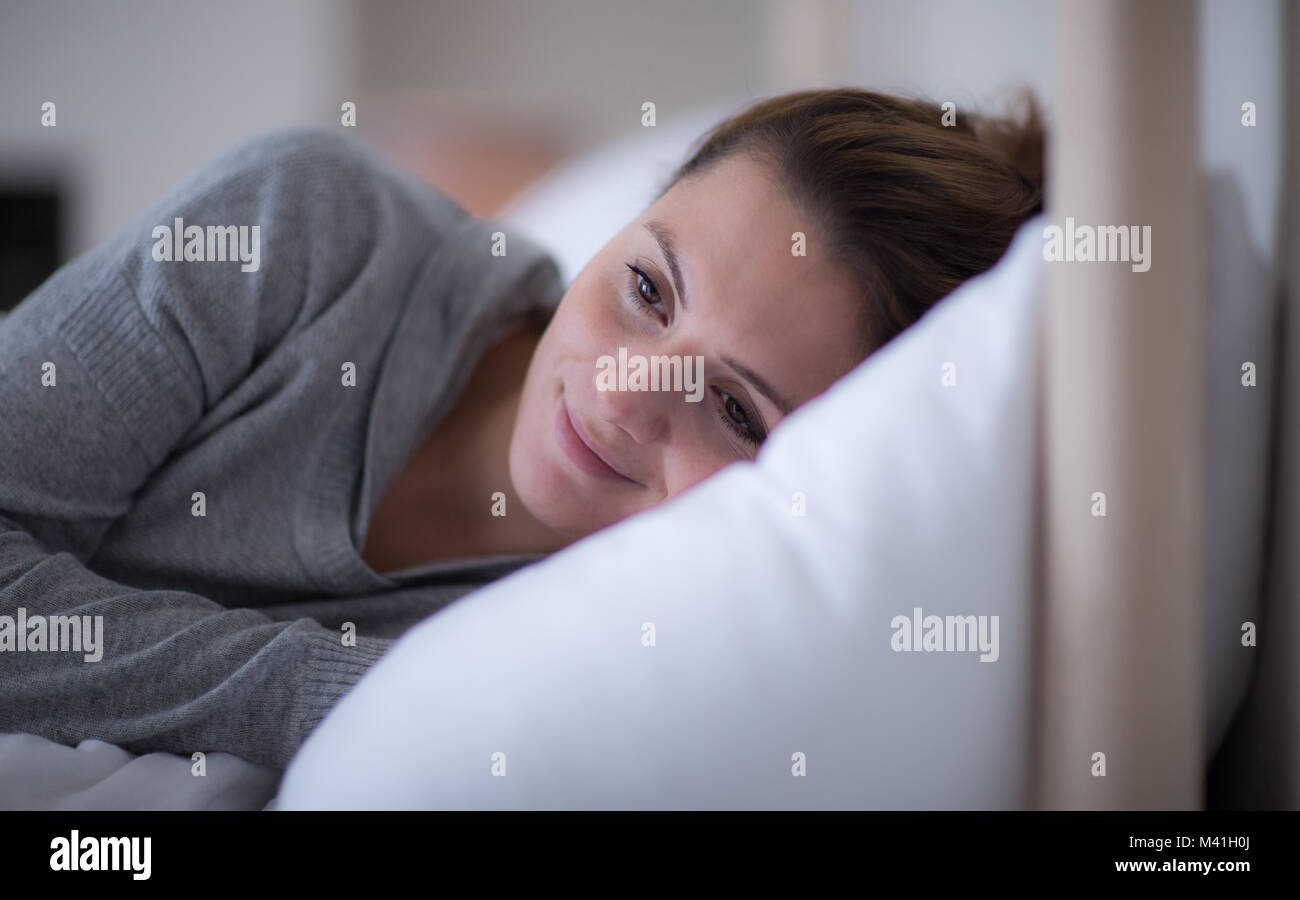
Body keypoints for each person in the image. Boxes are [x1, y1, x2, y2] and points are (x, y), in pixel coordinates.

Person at [0, 87, 1045, 769]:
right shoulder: (301, 225)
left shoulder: (633, 668)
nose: (626, 394)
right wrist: (349, 695)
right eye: (646, 285)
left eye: (734, 408)